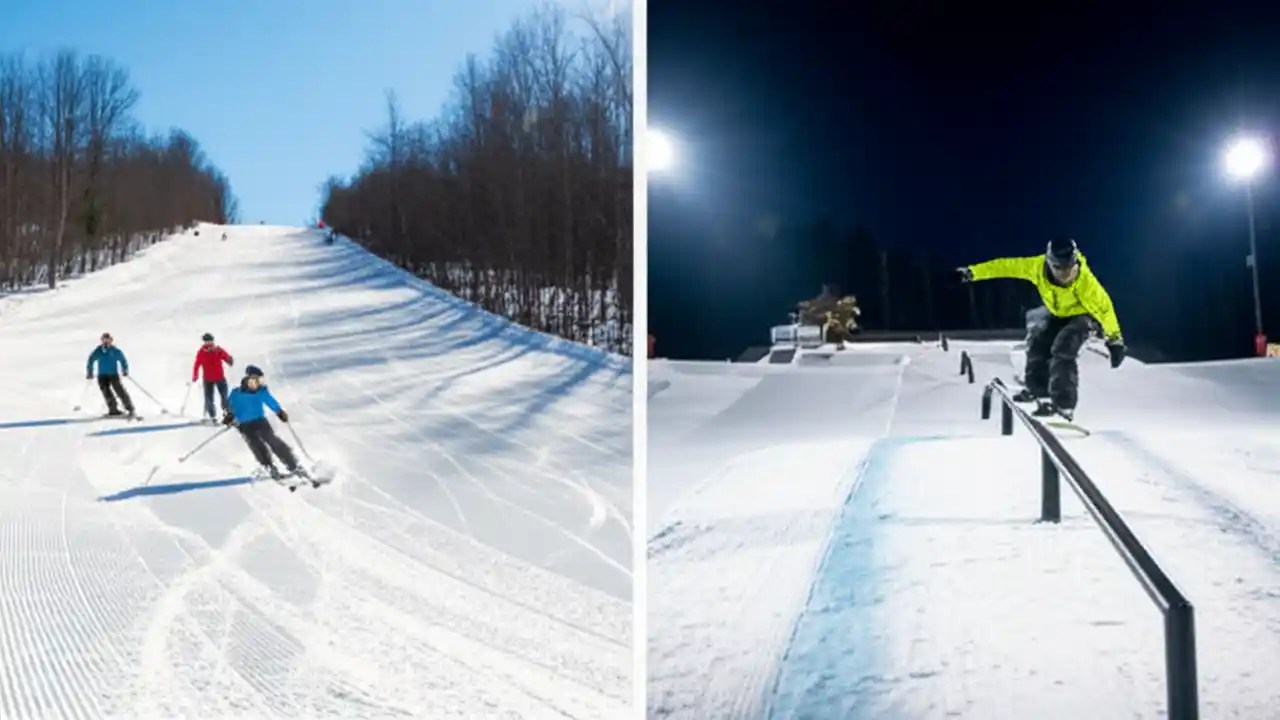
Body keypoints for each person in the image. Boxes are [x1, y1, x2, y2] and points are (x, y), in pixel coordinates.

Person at [957, 236, 1126, 420]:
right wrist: (971, 273)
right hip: (1058, 315)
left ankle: (1064, 404)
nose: (1066, 275)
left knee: (1063, 347)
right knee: (1038, 343)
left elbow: (1105, 309)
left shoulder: (1086, 284)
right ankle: (1039, 391)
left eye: (1070, 269)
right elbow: (1004, 266)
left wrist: (1115, 340)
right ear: (1049, 263)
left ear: (1075, 262)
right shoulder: (1036, 267)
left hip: (1083, 317)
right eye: (1059, 269)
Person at [222, 365, 307, 480]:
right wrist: (229, 416)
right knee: (256, 444)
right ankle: (268, 466)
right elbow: (229, 407)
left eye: (258, 381)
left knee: (272, 440)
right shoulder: (236, 393)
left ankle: (292, 464)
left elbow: (270, 401)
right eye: (252, 381)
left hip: (260, 421)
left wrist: (279, 412)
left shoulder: (261, 391)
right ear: (247, 380)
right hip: (244, 424)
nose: (255, 384)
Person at [86, 332, 136, 417]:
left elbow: (123, 360)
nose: (106, 342)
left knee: (120, 391)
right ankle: (113, 410)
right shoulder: (98, 351)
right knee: (106, 393)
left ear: (110, 340)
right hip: (102, 375)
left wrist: (125, 370)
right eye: (104, 340)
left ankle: (130, 408)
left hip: (113, 374)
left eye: (107, 340)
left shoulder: (115, 351)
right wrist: (90, 371)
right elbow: (91, 360)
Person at [192, 333, 234, 422]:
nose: (208, 344)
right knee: (208, 399)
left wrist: (229, 360)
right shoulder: (201, 352)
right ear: (204, 342)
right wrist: (195, 375)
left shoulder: (218, 350)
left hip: (220, 378)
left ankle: (229, 416)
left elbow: (226, 357)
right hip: (208, 379)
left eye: (210, 341)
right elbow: (197, 365)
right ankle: (212, 417)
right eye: (206, 342)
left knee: (224, 398)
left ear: (212, 341)